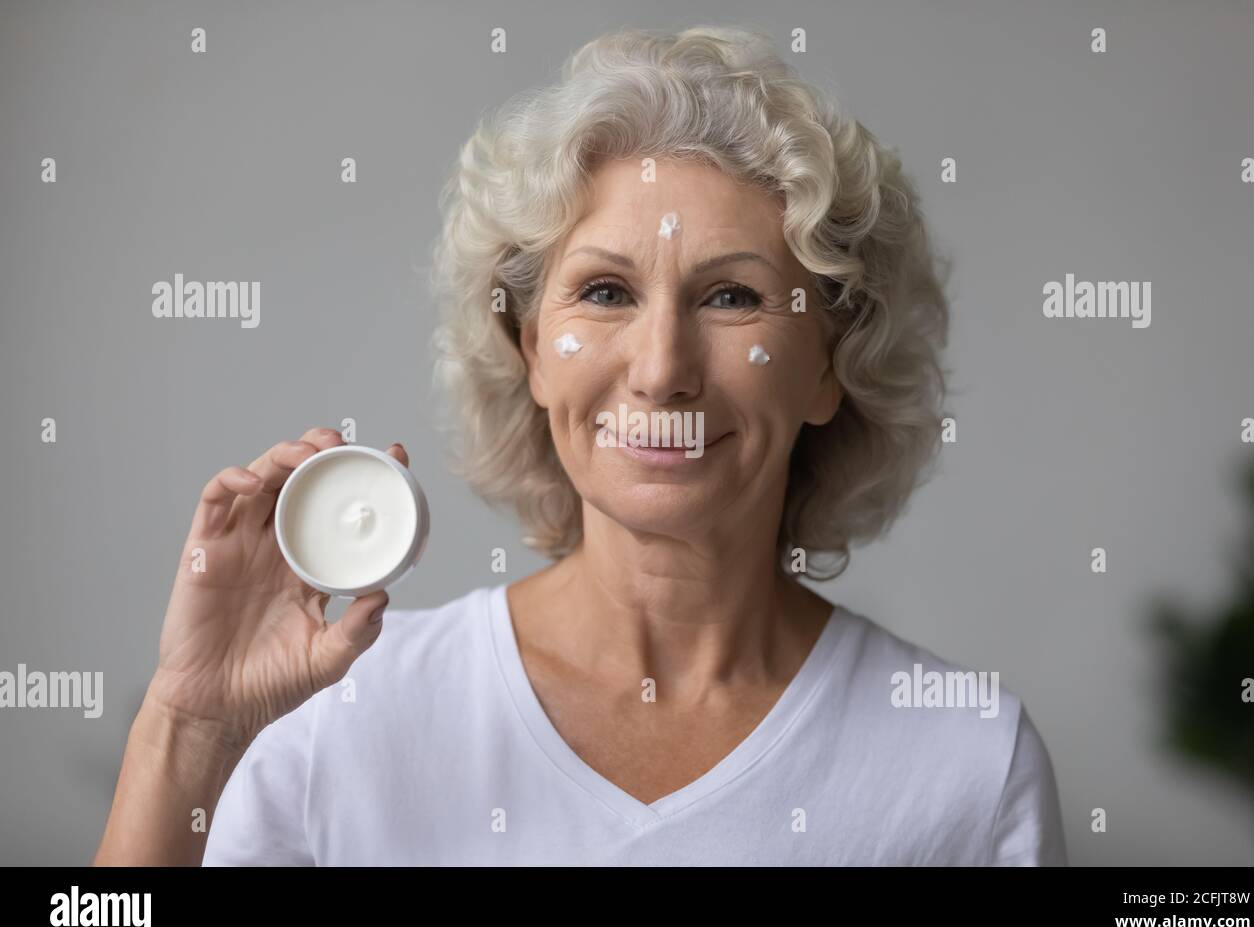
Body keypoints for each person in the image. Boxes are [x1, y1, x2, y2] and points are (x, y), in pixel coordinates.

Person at [94, 25, 1067, 866]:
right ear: (529, 349)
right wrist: (188, 726)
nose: (659, 369)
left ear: (830, 366)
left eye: (731, 295)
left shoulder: (964, 760)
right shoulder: (328, 720)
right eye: (605, 291)